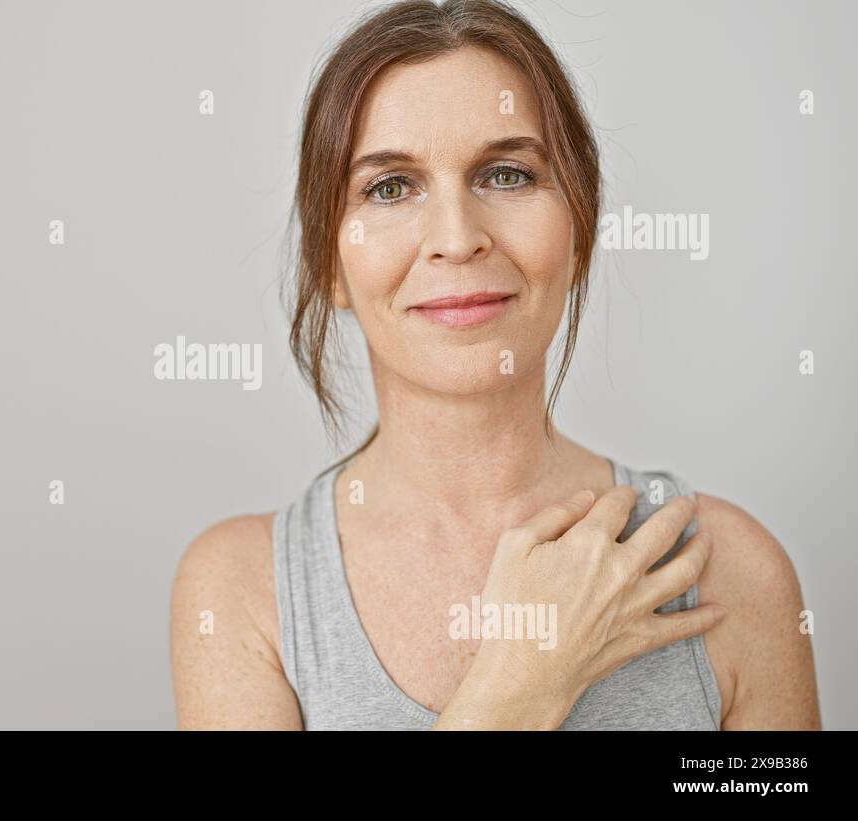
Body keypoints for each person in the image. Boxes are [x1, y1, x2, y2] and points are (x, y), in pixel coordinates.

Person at [170, 0, 820, 730]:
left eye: (506, 175)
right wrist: (521, 681)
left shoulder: (731, 572)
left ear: (578, 231)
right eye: (390, 187)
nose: (456, 237)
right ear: (331, 264)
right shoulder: (243, 590)